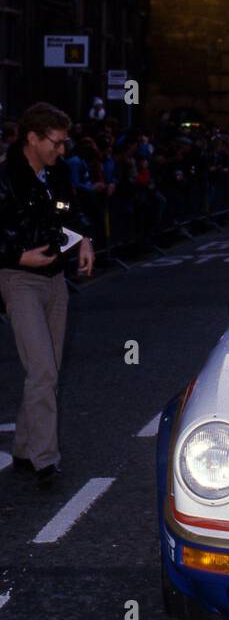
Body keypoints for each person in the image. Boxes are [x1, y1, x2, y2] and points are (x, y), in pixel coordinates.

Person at [0, 103, 95, 485]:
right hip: (18, 279)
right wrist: (17, 256)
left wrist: (84, 239)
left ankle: (24, 447)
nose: (62, 149)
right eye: (56, 142)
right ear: (32, 139)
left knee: (47, 369)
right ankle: (45, 460)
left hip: (55, 279)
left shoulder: (57, 173)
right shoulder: (5, 178)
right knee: (42, 369)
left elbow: (71, 213)